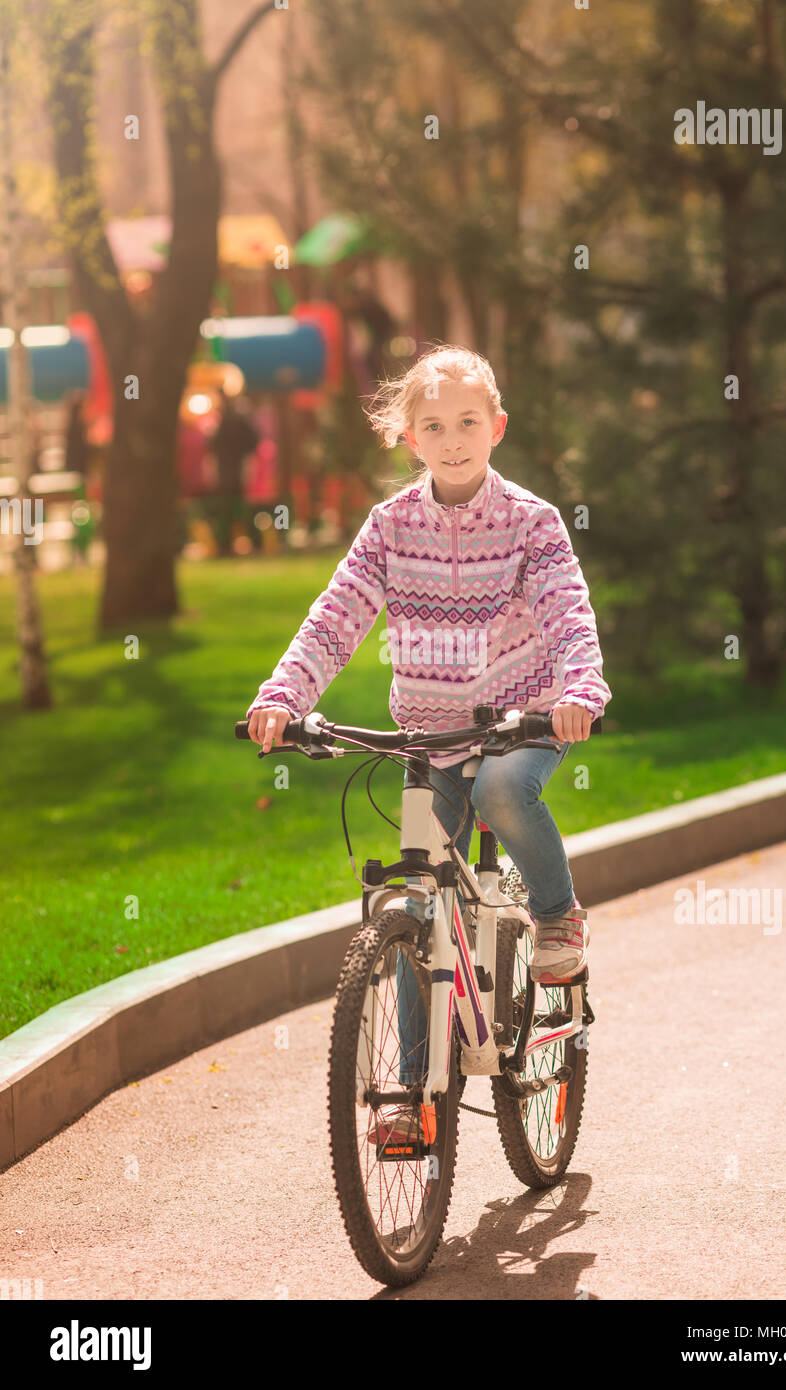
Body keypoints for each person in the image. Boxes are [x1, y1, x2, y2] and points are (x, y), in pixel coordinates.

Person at [245, 346, 612, 1136]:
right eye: (434, 425)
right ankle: (410, 1098)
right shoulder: (390, 528)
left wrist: (580, 689)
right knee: (415, 907)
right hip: (427, 733)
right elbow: (335, 617)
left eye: (468, 422)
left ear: (497, 427)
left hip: (524, 717)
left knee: (501, 791)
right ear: (409, 437)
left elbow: (567, 612)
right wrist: (284, 697)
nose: (453, 439)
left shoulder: (530, 523)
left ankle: (556, 916)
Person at [208, 388, 259, 557]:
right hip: (235, 468)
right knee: (238, 507)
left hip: (229, 469)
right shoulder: (236, 417)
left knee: (229, 507)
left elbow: (213, 446)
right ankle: (250, 540)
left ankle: (226, 543)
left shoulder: (226, 420)